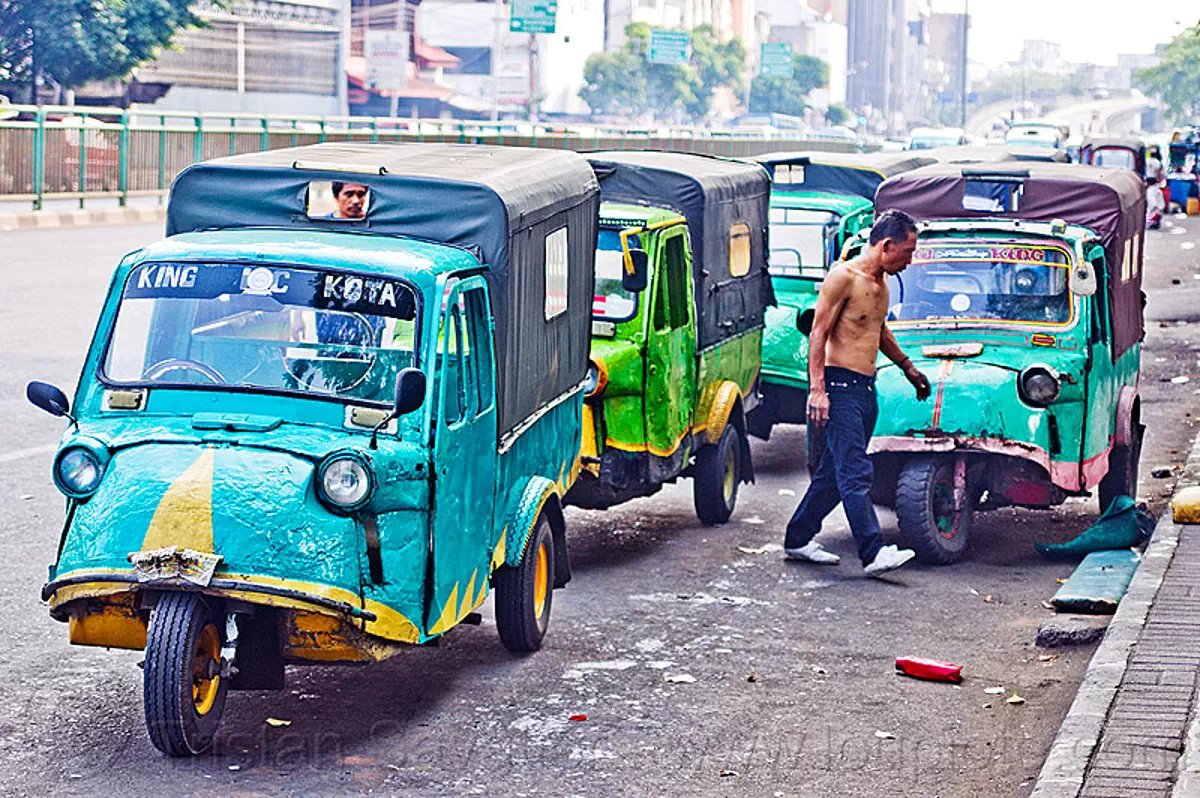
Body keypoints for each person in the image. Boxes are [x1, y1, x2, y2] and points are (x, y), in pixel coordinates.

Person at [784, 209, 932, 577]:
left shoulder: (881, 284)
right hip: (838, 387)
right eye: (908, 252)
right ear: (887, 245)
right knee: (855, 471)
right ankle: (873, 551)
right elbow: (818, 333)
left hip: (865, 389)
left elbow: (878, 331)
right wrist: (817, 390)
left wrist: (908, 368)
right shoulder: (843, 277)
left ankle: (797, 538)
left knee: (834, 474)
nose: (910, 261)